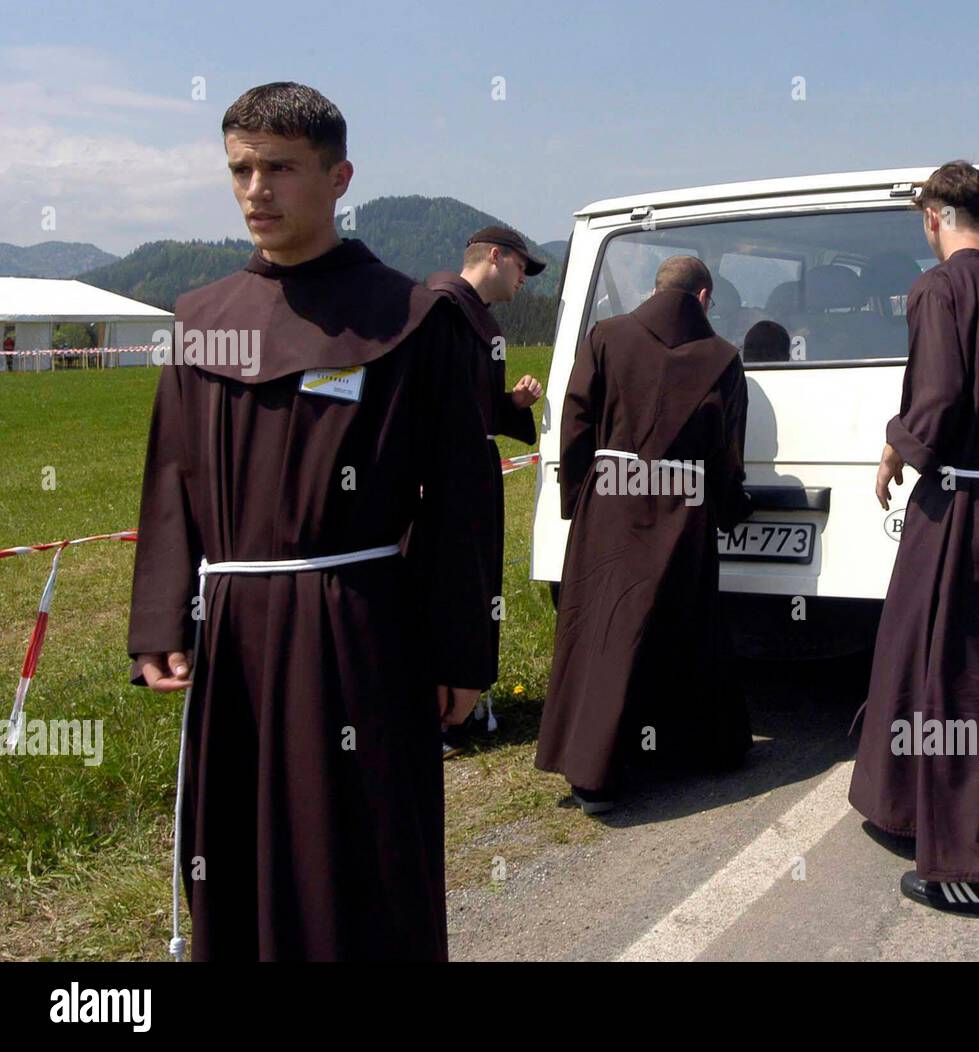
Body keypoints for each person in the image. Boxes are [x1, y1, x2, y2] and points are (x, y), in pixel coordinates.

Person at [127, 82, 495, 961]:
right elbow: (171, 479)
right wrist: (159, 619)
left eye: (281, 168)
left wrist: (461, 654)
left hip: (360, 629)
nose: (257, 189)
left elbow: (459, 504)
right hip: (235, 637)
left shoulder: (411, 320)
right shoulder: (200, 322)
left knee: (363, 851)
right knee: (233, 849)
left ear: (339, 178)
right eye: (241, 169)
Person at [847, 161, 979, 917]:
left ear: (933, 217)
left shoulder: (938, 289)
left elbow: (938, 398)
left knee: (955, 673)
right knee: (961, 662)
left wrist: (897, 447)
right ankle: (915, 809)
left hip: (961, 504)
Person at [536, 256, 753, 812]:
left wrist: (576, 502)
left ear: (657, 290)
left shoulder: (605, 336)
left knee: (607, 632)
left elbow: (576, 420)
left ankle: (593, 773)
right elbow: (726, 453)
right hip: (685, 508)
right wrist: (731, 509)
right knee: (678, 630)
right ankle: (688, 747)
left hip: (609, 506)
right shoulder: (724, 358)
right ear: (703, 298)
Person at [425, 227, 545, 753]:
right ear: (495, 257)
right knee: (448, 594)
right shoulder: (440, 312)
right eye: (520, 267)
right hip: (443, 489)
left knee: (474, 591)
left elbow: (473, 407)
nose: (523, 280)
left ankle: (463, 707)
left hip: (471, 482)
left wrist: (510, 405)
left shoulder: (479, 321)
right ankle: (443, 715)